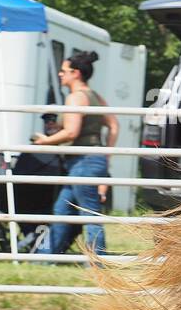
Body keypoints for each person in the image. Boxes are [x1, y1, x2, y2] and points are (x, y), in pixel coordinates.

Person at [32, 51, 118, 256]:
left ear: (76, 73)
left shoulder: (75, 98)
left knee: (89, 214)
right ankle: (46, 258)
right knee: (62, 211)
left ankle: (99, 262)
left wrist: (46, 141)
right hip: (90, 160)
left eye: (64, 71)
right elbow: (114, 125)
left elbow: (71, 132)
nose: (61, 75)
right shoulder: (95, 97)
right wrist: (106, 154)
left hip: (83, 162)